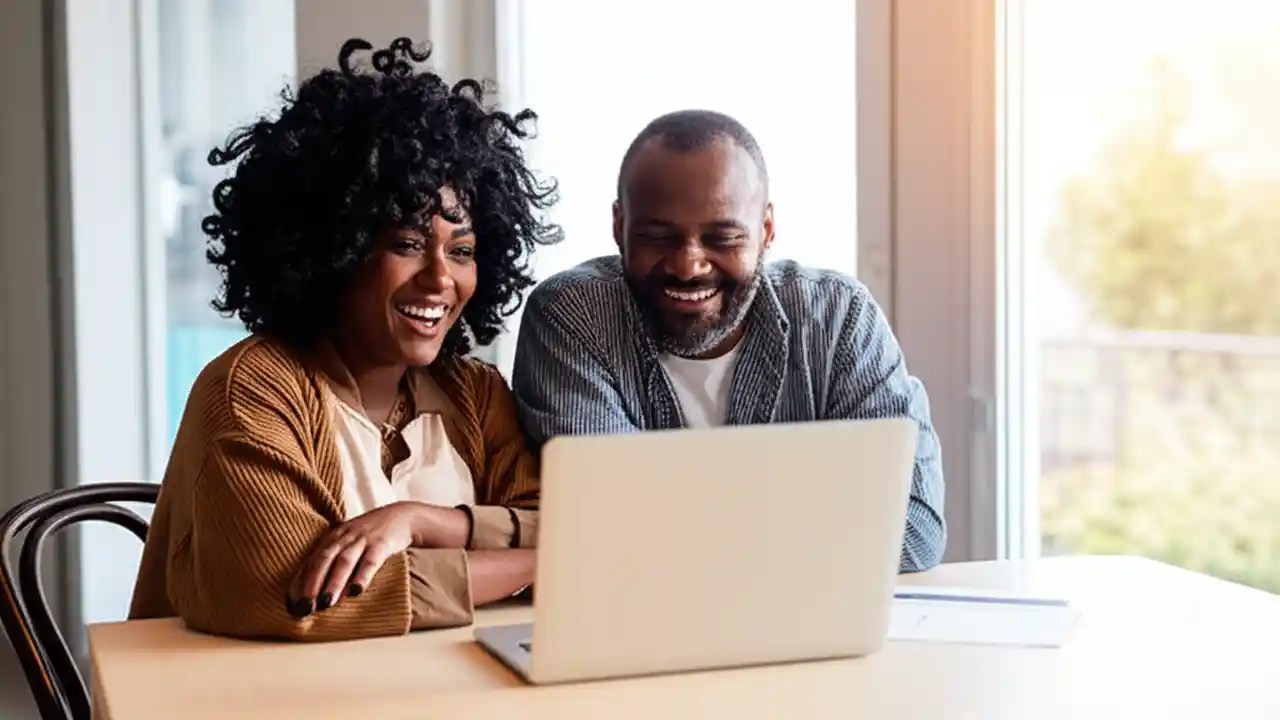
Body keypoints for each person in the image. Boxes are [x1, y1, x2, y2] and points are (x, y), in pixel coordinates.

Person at [129, 37, 561, 641]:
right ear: (335, 249)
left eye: (461, 252)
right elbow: (292, 597)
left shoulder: (475, 393)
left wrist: (417, 521)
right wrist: (542, 567)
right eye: (406, 245)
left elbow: (568, 526)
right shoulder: (250, 391)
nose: (441, 279)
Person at [511, 109, 945, 571]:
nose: (688, 265)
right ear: (619, 227)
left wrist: (677, 518)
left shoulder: (838, 319)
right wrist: (820, 513)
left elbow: (912, 532)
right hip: (647, 629)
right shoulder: (573, 318)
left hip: (810, 630)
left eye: (723, 238)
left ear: (767, 230)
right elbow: (612, 525)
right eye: (657, 237)